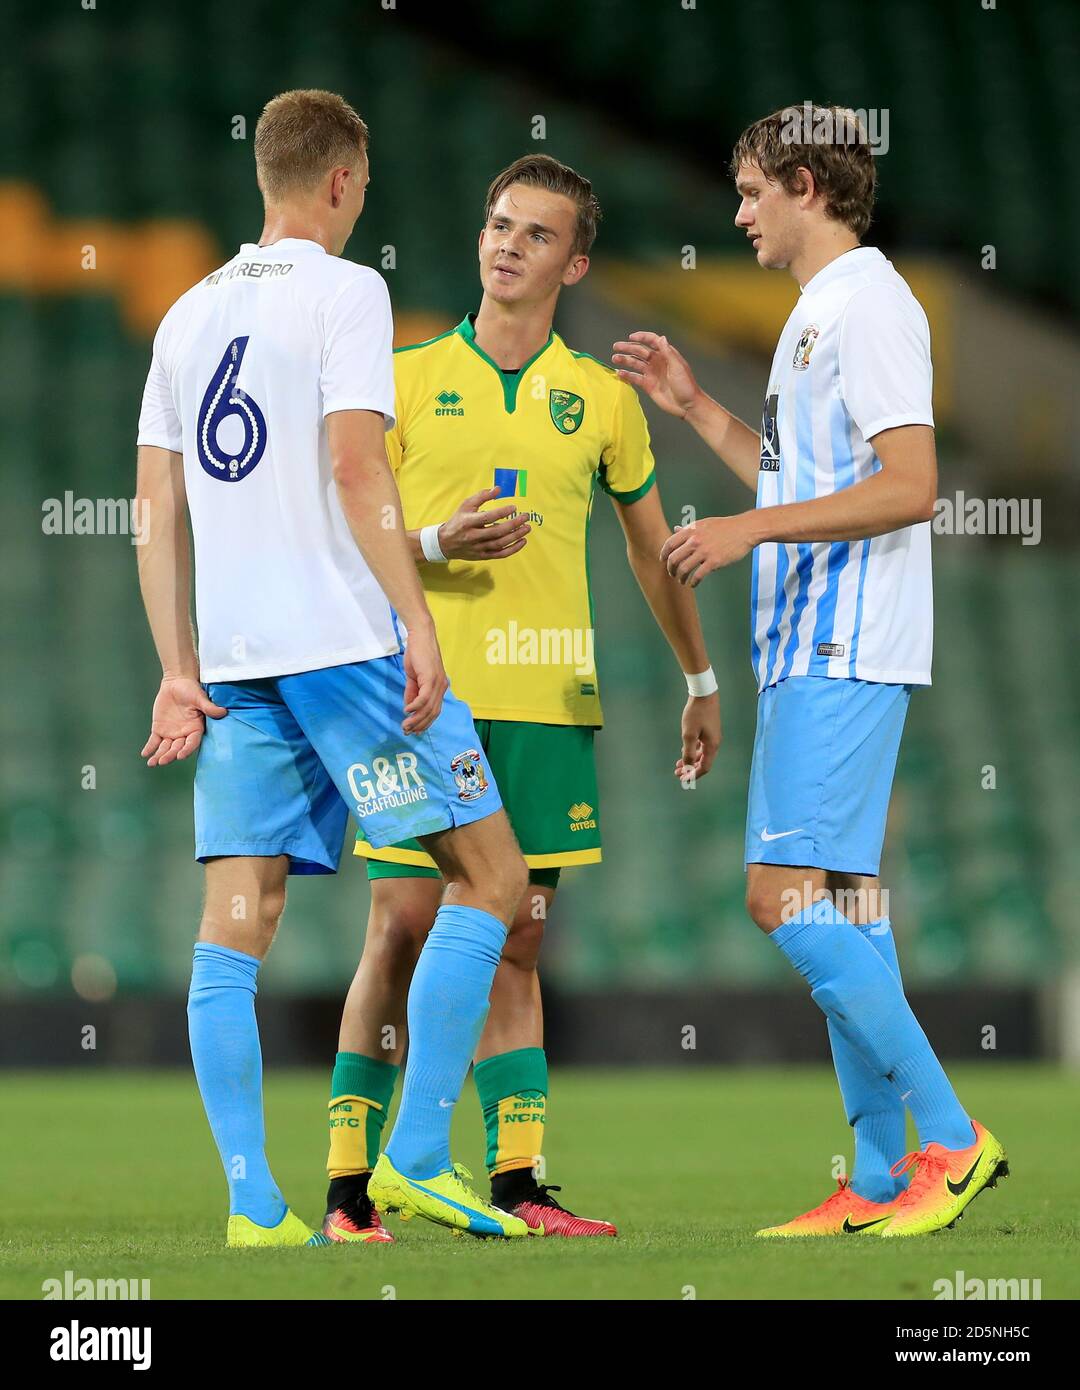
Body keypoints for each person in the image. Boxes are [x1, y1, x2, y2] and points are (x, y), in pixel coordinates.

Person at [135, 89, 531, 1246]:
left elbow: (154, 509)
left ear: (266, 176)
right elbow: (359, 468)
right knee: (494, 879)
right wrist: (415, 616)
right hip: (347, 646)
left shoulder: (186, 311)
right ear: (344, 182)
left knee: (230, 932)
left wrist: (175, 666)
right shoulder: (350, 291)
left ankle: (254, 1202)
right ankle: (414, 1151)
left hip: (239, 663)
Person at [612, 104, 1007, 1238]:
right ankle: (881, 1178)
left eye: (748, 192)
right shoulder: (816, 316)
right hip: (803, 643)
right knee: (845, 906)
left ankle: (952, 1135)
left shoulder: (871, 305)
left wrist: (745, 533)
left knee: (777, 895)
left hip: (844, 639)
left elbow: (910, 484)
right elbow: (798, 474)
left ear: (803, 183)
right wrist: (694, 408)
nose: (736, 214)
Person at [321, 154, 720, 1243]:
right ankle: (351, 1191)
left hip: (547, 697)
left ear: (575, 261)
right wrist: (438, 544)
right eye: (498, 223)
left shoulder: (600, 400)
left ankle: (519, 1183)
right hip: (418, 695)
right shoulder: (398, 380)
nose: (507, 243)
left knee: (520, 940)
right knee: (400, 924)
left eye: (535, 234)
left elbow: (651, 555)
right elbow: (345, 550)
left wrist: (698, 676)